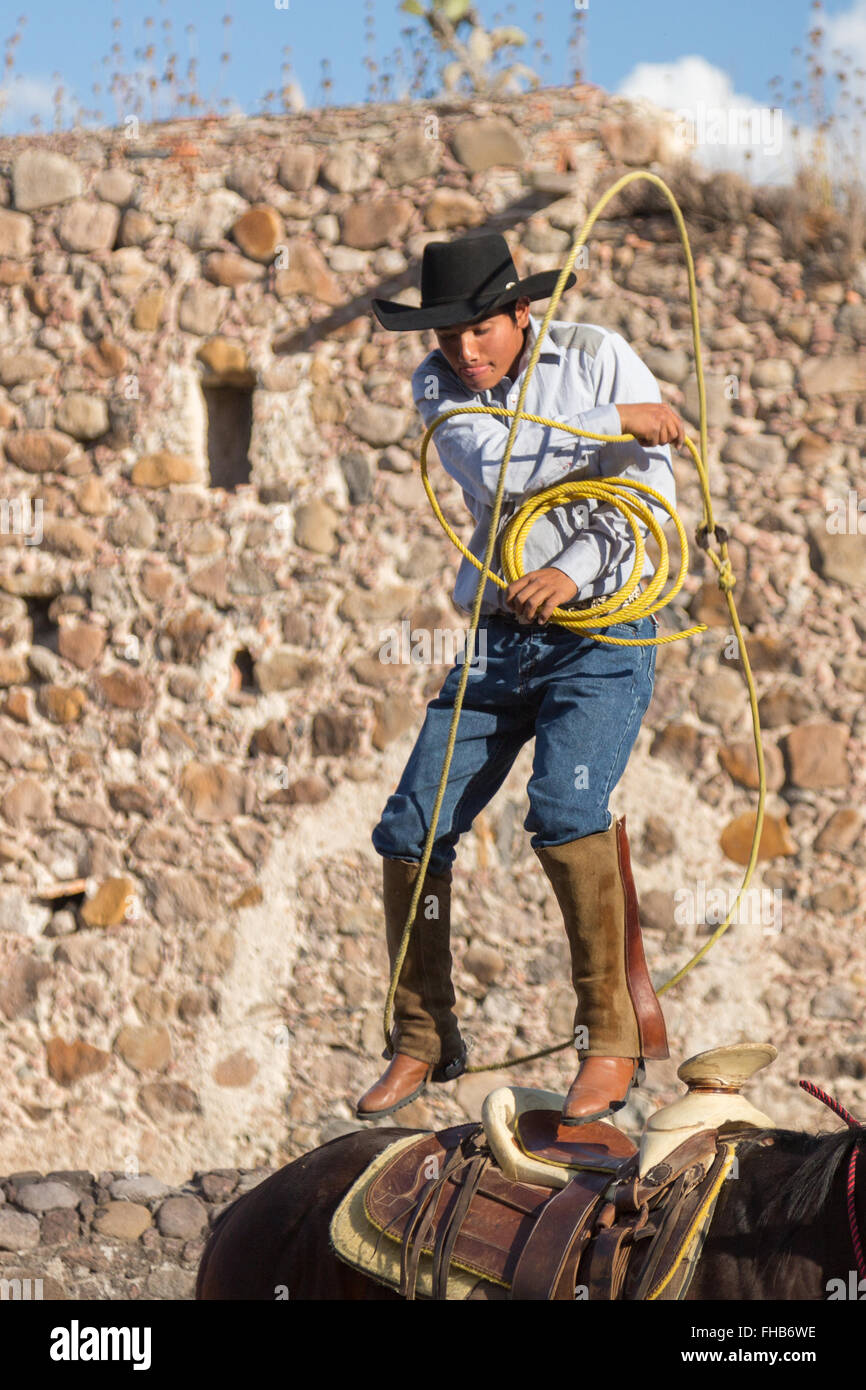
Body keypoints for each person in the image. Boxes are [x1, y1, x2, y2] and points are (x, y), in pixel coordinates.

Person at [356, 232, 684, 1124]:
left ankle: (611, 1041)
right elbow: (497, 468)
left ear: (521, 313)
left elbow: (644, 495)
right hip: (501, 638)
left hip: (606, 629)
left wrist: (573, 568)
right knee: (409, 825)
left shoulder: (597, 355)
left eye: (481, 330)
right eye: (448, 336)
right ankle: (422, 1036)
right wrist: (615, 421)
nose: (466, 352)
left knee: (568, 811)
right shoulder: (437, 385)